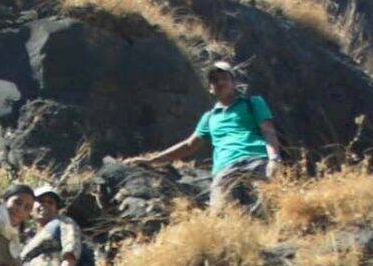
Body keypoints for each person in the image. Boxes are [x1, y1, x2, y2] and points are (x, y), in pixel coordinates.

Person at [108, 61, 282, 213]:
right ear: (210, 87)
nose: (220, 82)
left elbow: (268, 131)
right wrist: (152, 160)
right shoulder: (209, 117)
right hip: (225, 168)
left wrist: (274, 160)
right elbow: (189, 145)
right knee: (222, 218)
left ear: (233, 82)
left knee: (267, 210)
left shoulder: (252, 103)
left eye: (224, 78)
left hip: (255, 161)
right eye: (214, 79)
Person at [19, 182, 86, 266]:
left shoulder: (62, 222)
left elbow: (71, 243)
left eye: (50, 202)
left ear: (56, 209)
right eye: (40, 201)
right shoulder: (26, 239)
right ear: (31, 208)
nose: (45, 205)